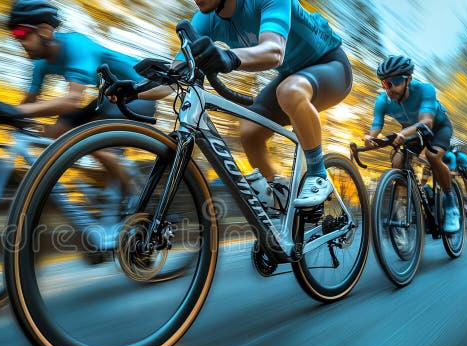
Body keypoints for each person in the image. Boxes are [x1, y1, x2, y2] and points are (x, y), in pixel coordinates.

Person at [137, 0, 353, 214]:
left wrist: (229, 56)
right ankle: (280, 195)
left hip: (330, 65)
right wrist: (134, 92)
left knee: (289, 91)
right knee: (249, 130)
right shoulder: (205, 19)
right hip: (292, 75)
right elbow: (177, 75)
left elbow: (274, 51)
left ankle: (318, 174)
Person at [0, 0, 158, 199]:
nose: (19, 42)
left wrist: (14, 112)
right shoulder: (40, 63)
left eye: (21, 34)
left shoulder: (76, 45)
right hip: (109, 98)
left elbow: (73, 100)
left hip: (141, 91)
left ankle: (136, 195)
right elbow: (27, 105)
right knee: (53, 134)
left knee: (86, 139)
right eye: (14, 36)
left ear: (44, 31)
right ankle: (114, 182)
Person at [364, 55, 460, 233]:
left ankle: (450, 203)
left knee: (432, 156)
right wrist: (370, 138)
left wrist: (401, 133)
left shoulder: (425, 90)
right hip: (410, 131)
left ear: (408, 79)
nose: (390, 88)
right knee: (397, 161)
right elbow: (377, 125)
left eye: (396, 81)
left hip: (437, 127)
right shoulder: (382, 101)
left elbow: (426, 123)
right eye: (385, 83)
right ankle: (404, 206)